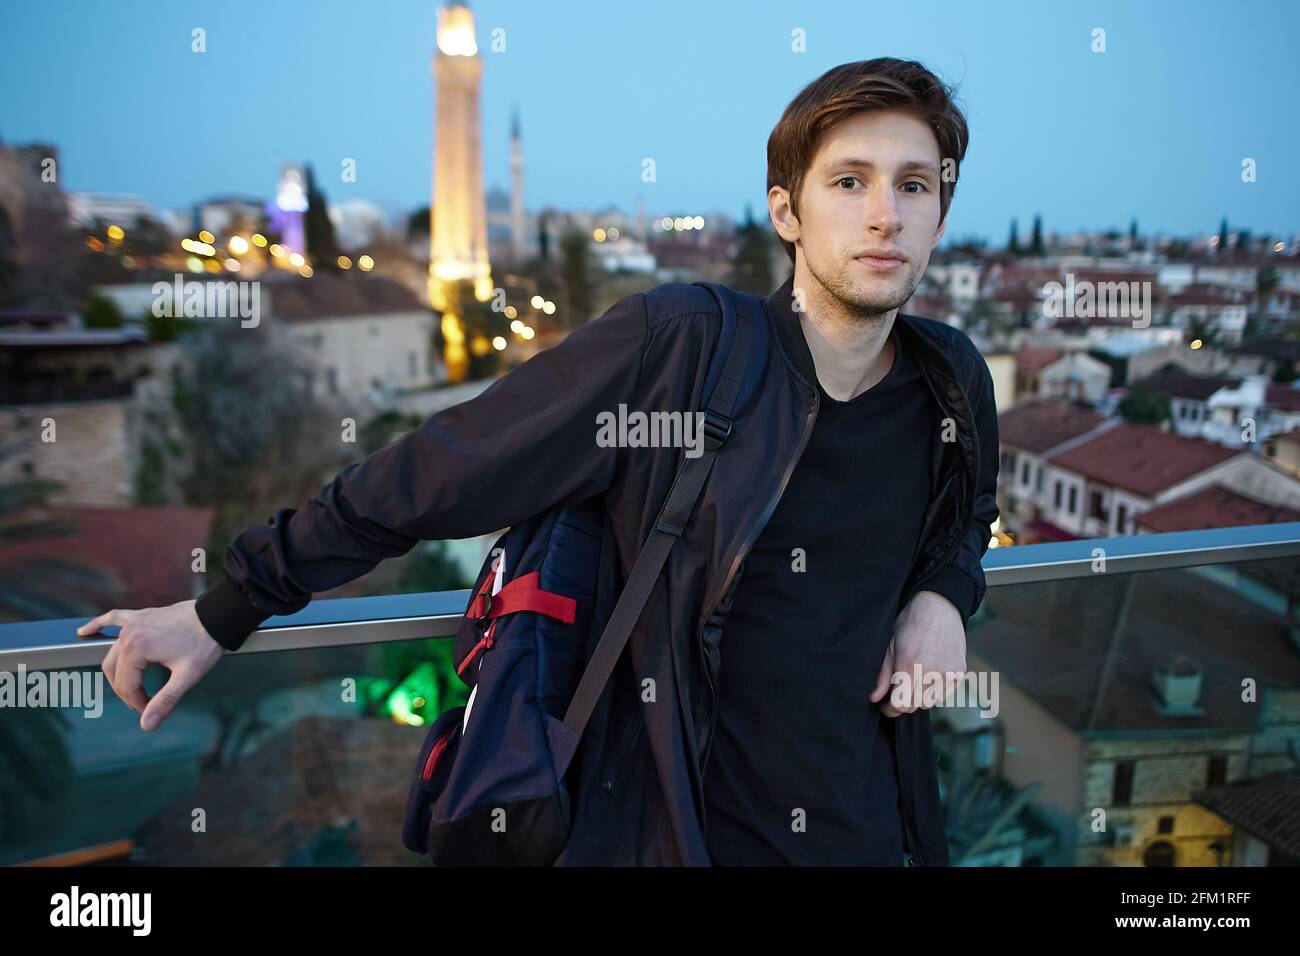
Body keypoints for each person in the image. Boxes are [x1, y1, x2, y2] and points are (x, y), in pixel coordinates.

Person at [80, 56, 999, 866]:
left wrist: (945, 595)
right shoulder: (685, 350)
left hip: (875, 832)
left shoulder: (950, 380)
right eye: (849, 181)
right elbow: (439, 469)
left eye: (914, 185)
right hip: (677, 836)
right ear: (786, 211)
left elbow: (968, 512)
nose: (885, 214)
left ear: (942, 211)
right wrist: (228, 606)